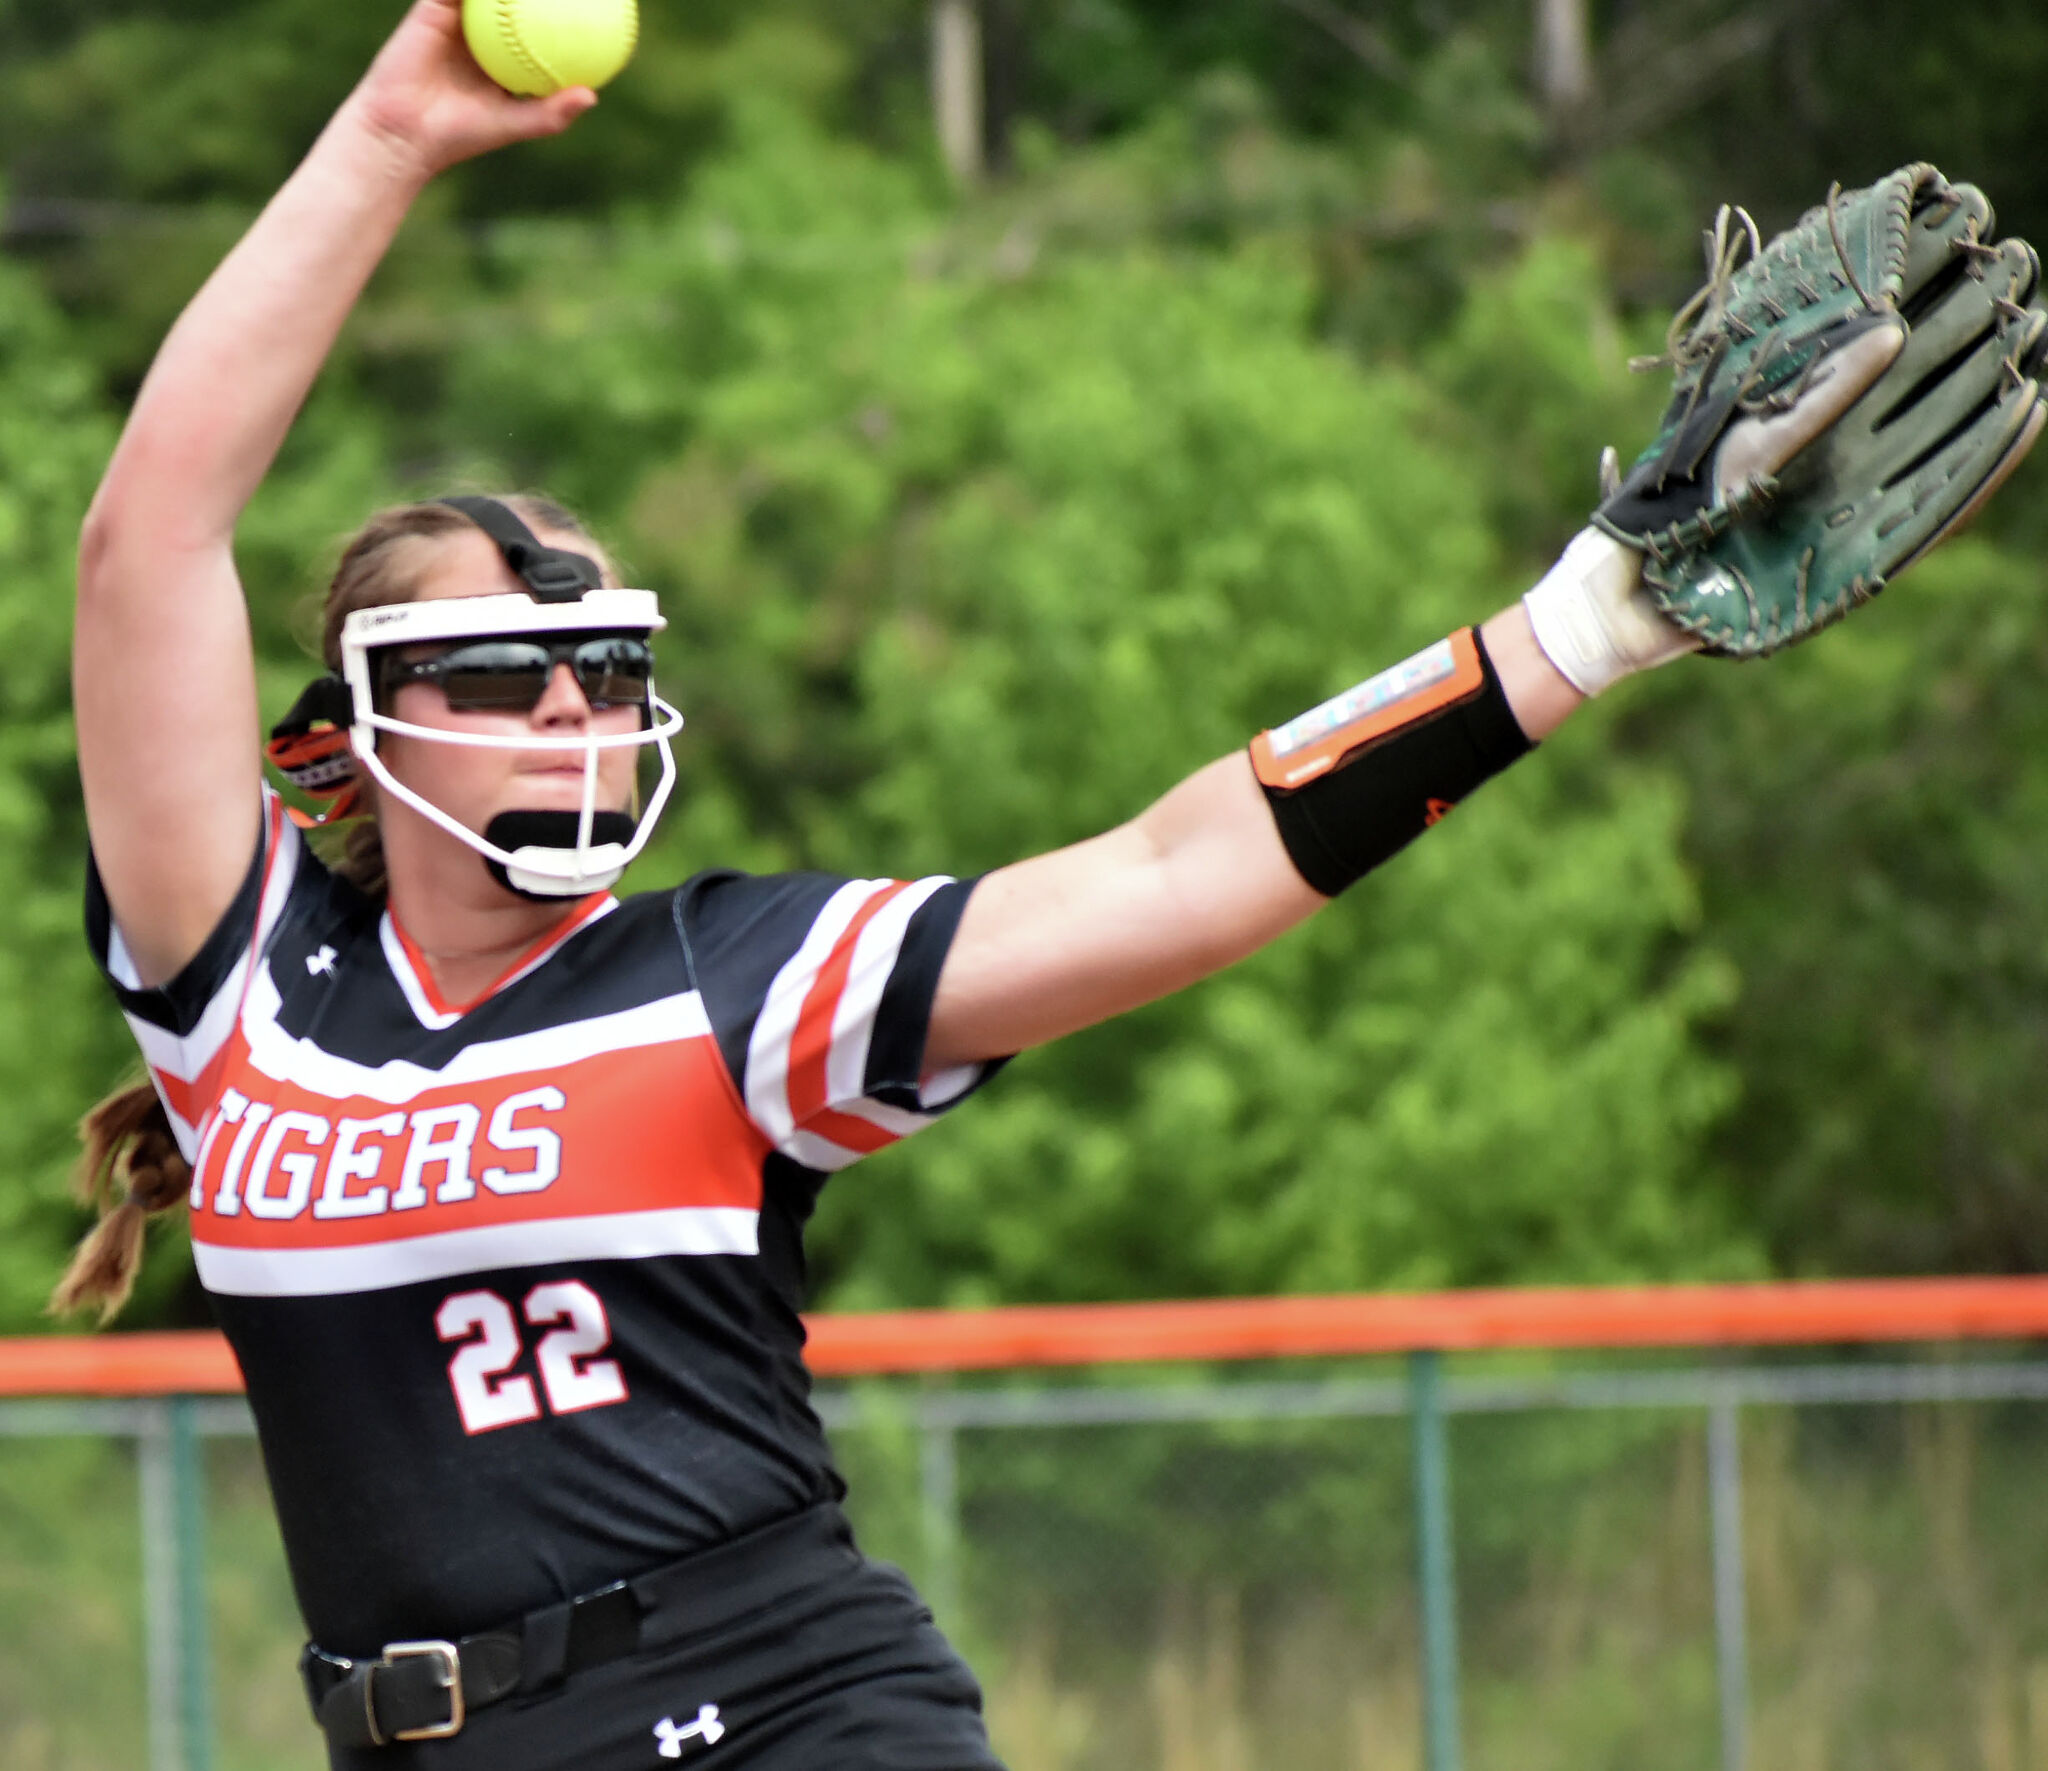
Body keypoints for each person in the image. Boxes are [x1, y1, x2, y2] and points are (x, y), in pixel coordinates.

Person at [57, 5, 2043, 1767]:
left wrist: (1570, 632)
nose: (575, 711)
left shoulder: (734, 978)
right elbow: (152, 538)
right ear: (356, 732)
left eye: (612, 672)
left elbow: (1176, 869)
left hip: (779, 1710)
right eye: (507, 675)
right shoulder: (250, 1004)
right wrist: (389, 135)